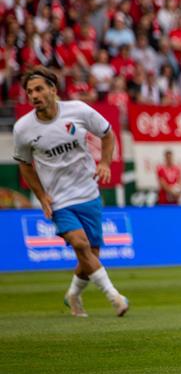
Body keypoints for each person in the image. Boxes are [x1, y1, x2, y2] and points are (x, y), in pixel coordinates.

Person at [12, 67, 129, 317]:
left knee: (90, 255)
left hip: (88, 193)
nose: (34, 95)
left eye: (39, 89)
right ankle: (114, 297)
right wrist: (42, 196)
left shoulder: (78, 110)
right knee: (79, 243)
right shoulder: (23, 128)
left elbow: (108, 134)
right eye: (30, 91)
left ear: (53, 90)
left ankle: (73, 295)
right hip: (59, 199)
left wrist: (106, 163)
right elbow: (24, 165)